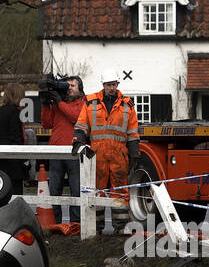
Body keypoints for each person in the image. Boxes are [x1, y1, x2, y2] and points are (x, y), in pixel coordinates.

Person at [72, 68, 139, 212]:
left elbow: (133, 131)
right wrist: (78, 140)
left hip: (119, 153)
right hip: (97, 153)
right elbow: (82, 124)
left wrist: (134, 152)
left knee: (120, 189)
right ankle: (97, 223)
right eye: (108, 85)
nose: (111, 88)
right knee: (96, 188)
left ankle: (120, 223)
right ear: (103, 85)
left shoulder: (127, 105)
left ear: (117, 84)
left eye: (114, 84)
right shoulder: (90, 102)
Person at [40, 75, 83, 222]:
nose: (69, 88)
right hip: (56, 152)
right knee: (54, 190)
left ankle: (75, 224)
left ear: (80, 89)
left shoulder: (83, 103)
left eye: (73, 85)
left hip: (74, 153)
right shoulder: (59, 104)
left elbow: (75, 118)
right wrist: (46, 105)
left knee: (76, 190)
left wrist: (59, 102)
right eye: (67, 85)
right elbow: (46, 124)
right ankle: (55, 222)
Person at [0, 83, 27, 195]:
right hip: (13, 160)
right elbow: (16, 137)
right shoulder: (16, 112)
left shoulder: (0, 110)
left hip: (0, 156)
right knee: (16, 192)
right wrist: (24, 159)